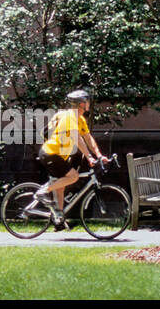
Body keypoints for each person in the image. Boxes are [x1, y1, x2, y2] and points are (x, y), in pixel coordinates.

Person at [34, 89, 106, 226]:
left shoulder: (80, 119)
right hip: (51, 153)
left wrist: (99, 155)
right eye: (87, 101)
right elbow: (77, 138)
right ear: (81, 104)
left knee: (60, 186)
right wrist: (89, 157)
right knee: (73, 177)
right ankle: (43, 192)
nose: (89, 103)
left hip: (57, 155)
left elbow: (88, 138)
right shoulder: (69, 117)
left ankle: (58, 220)